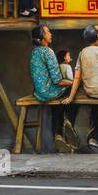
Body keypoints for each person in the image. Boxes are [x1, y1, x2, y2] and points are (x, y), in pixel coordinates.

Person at [28, 23, 64, 152]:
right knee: (72, 94)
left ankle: (59, 135)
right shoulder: (48, 51)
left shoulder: (35, 52)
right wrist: (73, 82)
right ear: (42, 37)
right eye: (48, 32)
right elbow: (57, 80)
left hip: (39, 92)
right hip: (49, 92)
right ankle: (61, 131)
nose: (51, 34)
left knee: (60, 102)